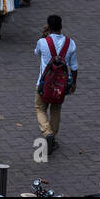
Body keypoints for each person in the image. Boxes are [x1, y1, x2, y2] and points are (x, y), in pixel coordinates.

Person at [33, 14, 78, 155]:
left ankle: (47, 133)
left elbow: (36, 53)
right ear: (61, 26)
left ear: (48, 27)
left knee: (40, 108)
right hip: (60, 85)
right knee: (56, 110)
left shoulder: (43, 42)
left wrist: (43, 35)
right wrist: (73, 84)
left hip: (43, 84)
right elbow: (74, 67)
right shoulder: (70, 44)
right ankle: (53, 136)